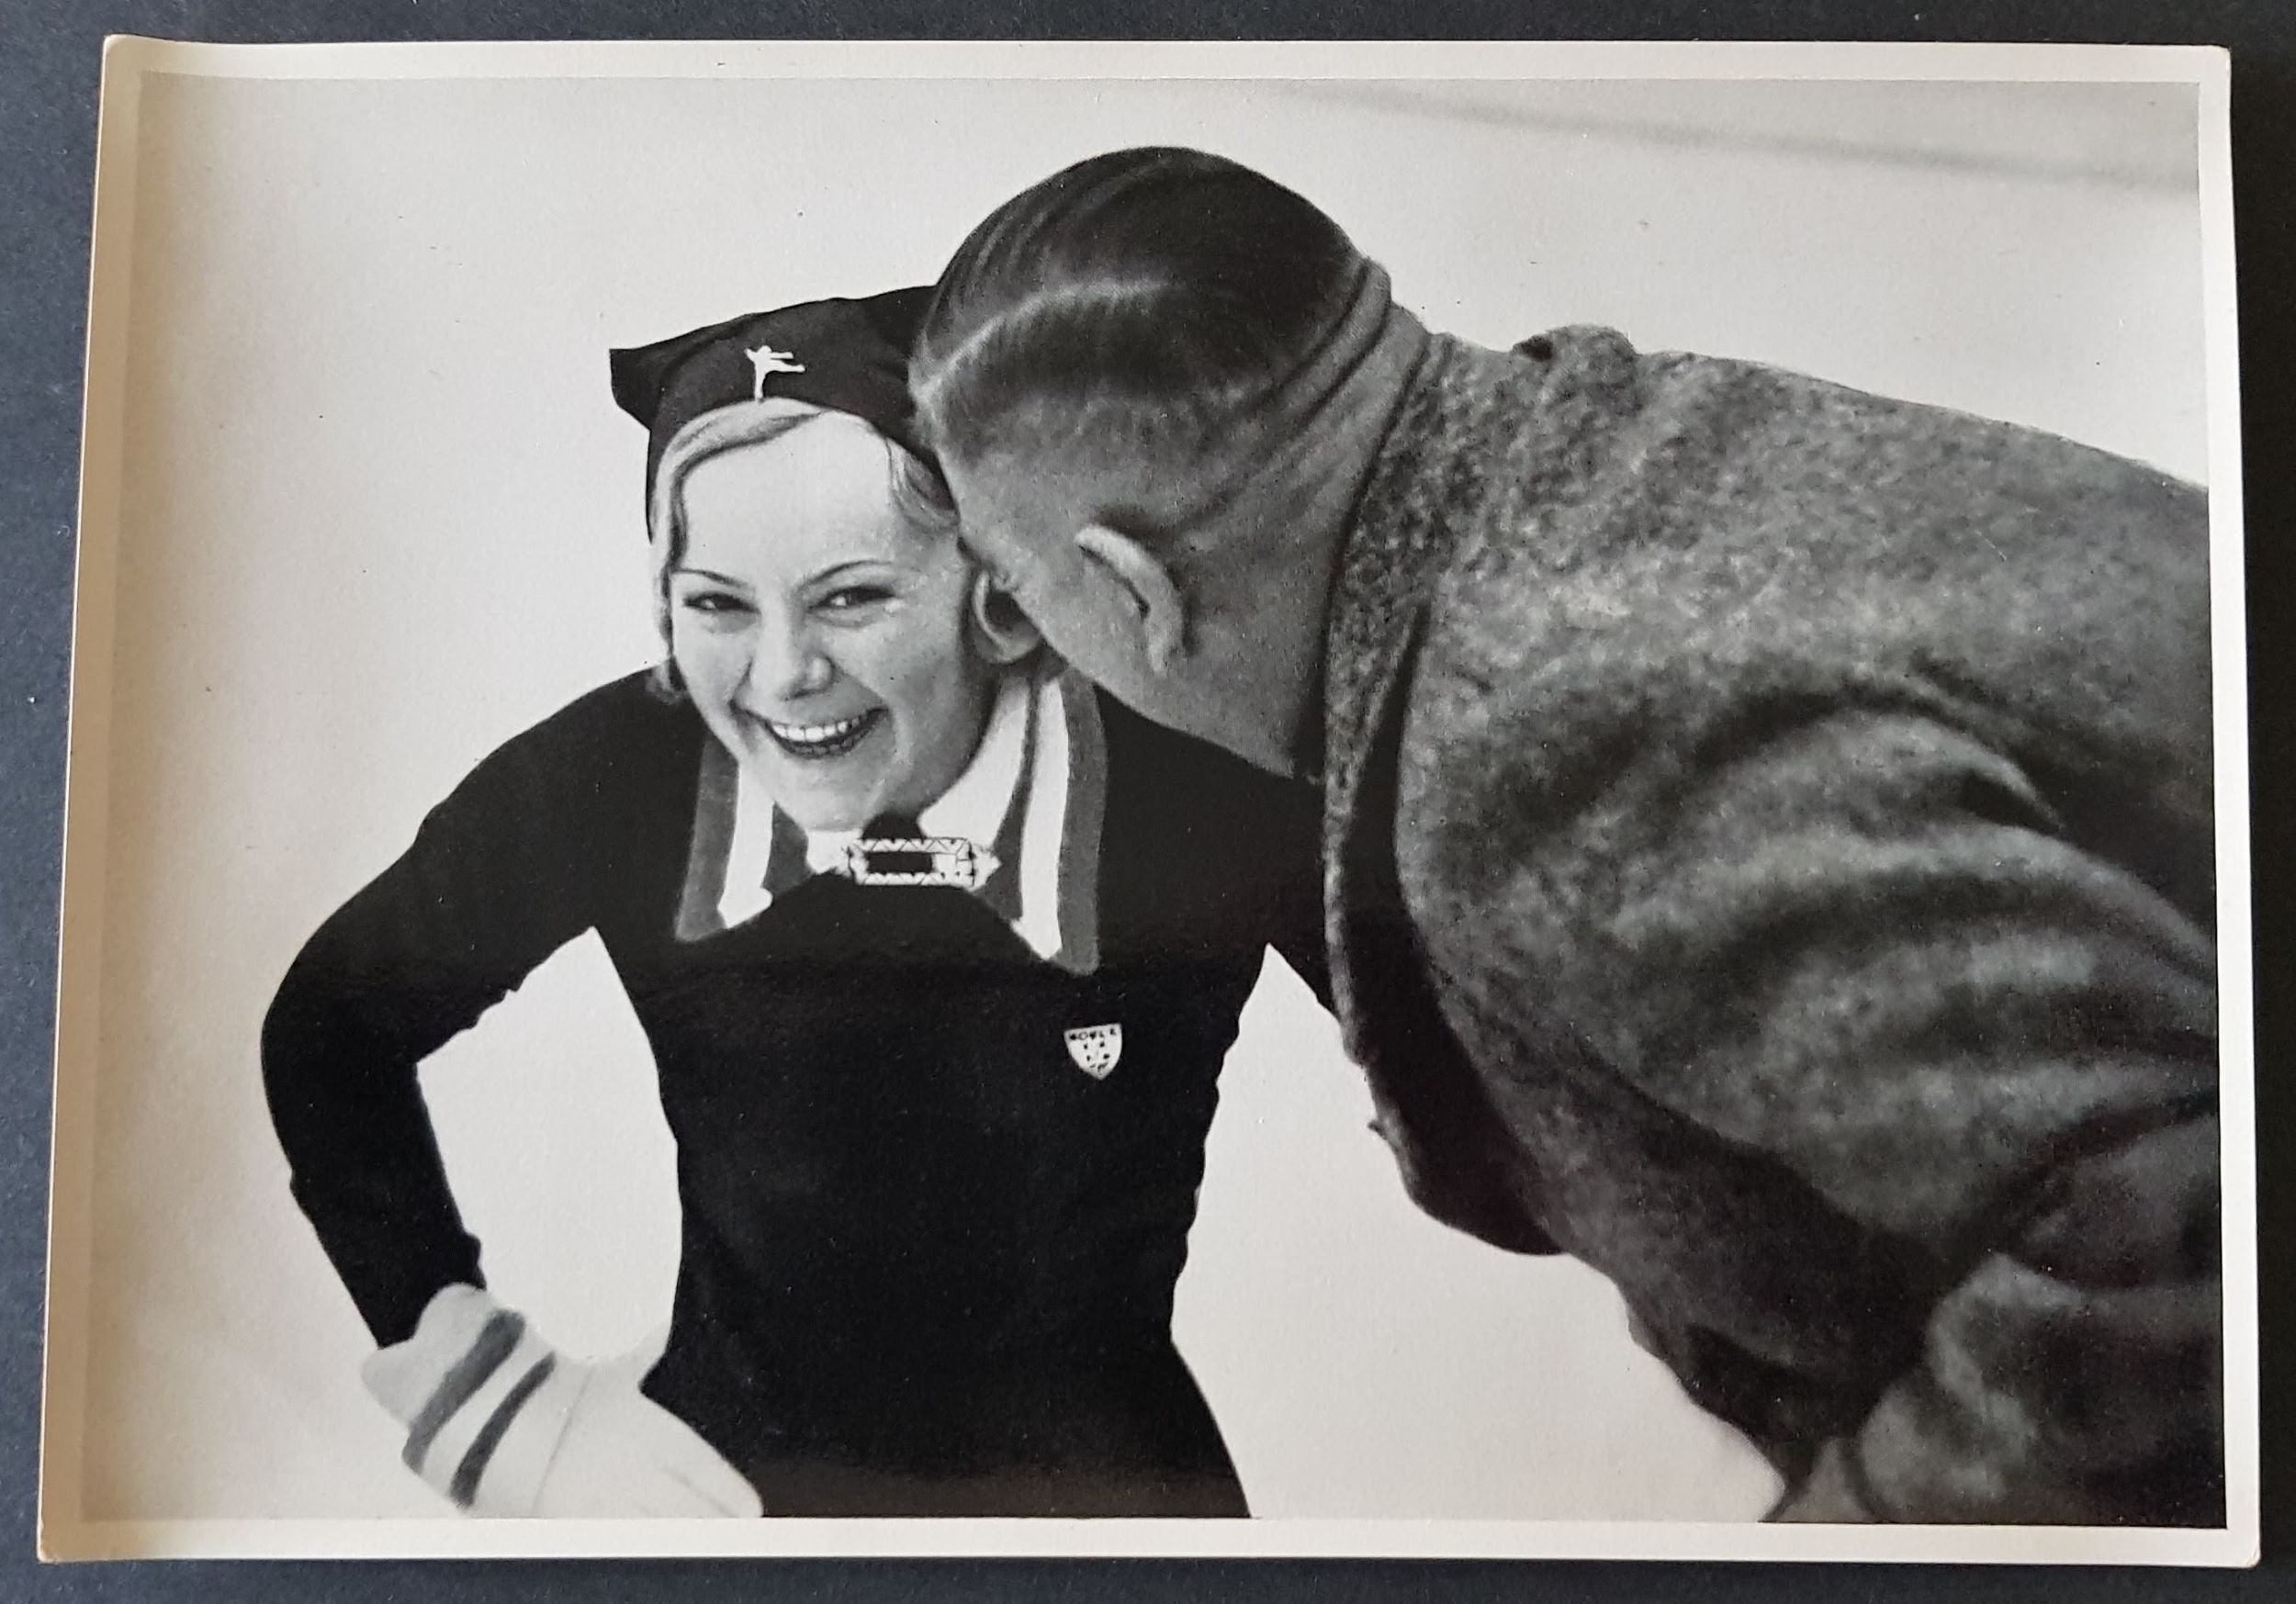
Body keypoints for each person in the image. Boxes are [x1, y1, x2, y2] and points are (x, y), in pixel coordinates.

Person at [906, 147, 2223, 1526]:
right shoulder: (1605, 437)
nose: (1013, 644)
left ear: (1133, 591)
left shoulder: (1532, 741)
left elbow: (2163, 1211)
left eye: (1012, 594)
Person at [261, 288, 1325, 1519]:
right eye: (718, 604)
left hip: (1118, 1517)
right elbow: (332, 1026)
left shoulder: (1192, 773)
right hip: (724, 1504)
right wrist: (503, 1419)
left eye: (850, 598)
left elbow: (1484, 1029)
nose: (780, 677)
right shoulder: (626, 774)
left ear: (995, 594)